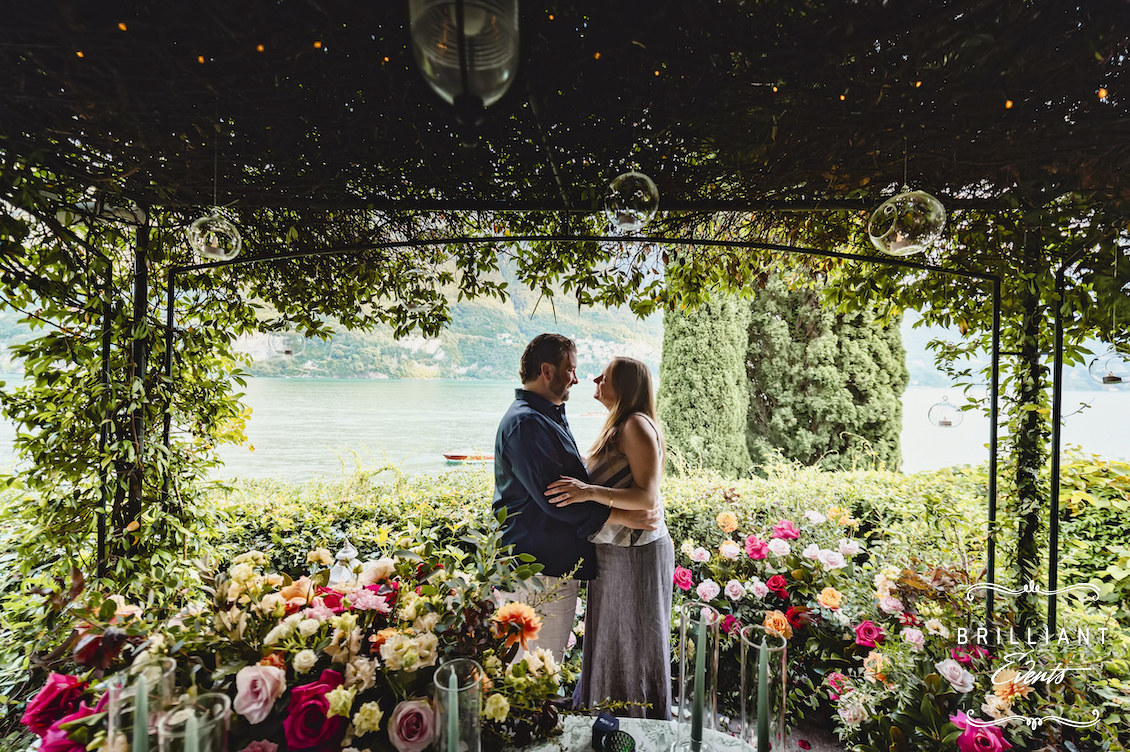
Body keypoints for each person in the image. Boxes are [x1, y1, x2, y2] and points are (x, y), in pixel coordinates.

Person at [493, 334, 660, 662]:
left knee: (539, 665)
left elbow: (574, 488)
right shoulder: (527, 422)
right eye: (571, 369)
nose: (578, 377)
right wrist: (621, 516)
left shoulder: (546, 414)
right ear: (547, 371)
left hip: (547, 564)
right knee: (534, 668)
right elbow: (558, 498)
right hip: (536, 567)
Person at [545, 356, 673, 719]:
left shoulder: (635, 425)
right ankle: (604, 712)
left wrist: (587, 492)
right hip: (616, 551)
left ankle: (635, 721)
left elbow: (647, 498)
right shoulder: (619, 425)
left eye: (607, 375)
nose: (595, 378)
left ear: (627, 386)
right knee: (612, 639)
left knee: (633, 641)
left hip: (638, 554)